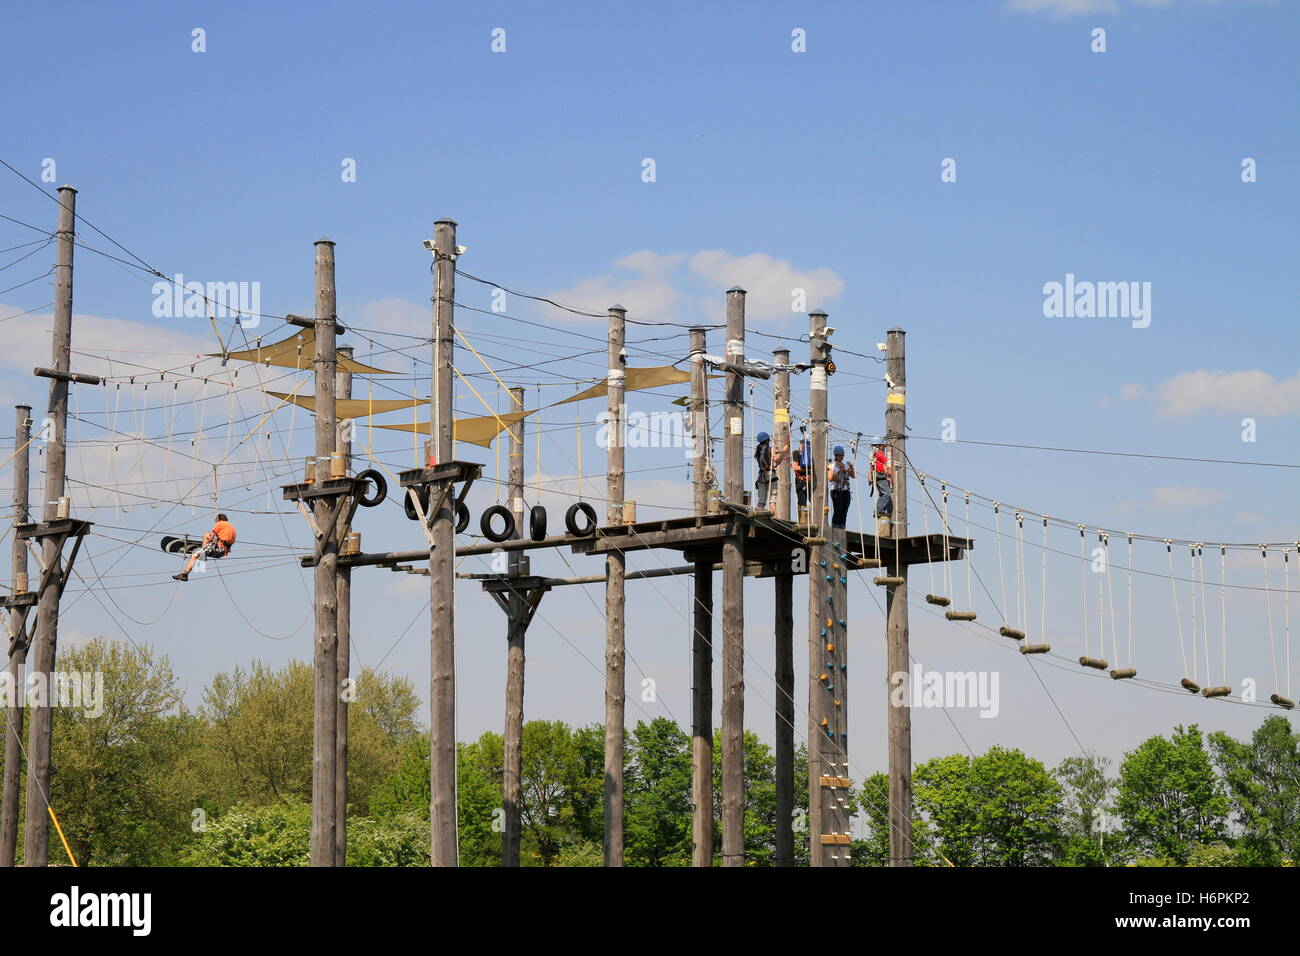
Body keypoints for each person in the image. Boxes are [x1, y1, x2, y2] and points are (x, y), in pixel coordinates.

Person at [173, 513, 236, 581]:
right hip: (223, 551)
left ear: (218, 519)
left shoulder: (219, 524)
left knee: (195, 555)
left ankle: (185, 574)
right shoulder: (232, 527)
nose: (215, 521)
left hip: (218, 548)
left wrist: (207, 541)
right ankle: (203, 551)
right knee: (207, 538)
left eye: (215, 520)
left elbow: (211, 538)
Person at [827, 445, 855, 530]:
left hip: (845, 489)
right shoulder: (832, 465)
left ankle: (842, 529)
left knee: (844, 510)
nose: (841, 457)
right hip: (836, 489)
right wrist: (839, 471)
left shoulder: (845, 465)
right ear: (836, 455)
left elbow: (853, 475)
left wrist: (851, 468)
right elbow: (830, 478)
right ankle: (835, 529)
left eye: (842, 455)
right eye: (840, 455)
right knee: (838, 510)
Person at [871, 443, 893, 517]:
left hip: (877, 476)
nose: (884, 448)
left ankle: (877, 510)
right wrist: (890, 450)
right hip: (881, 476)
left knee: (882, 495)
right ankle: (879, 510)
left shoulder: (874, 454)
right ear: (879, 446)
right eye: (883, 446)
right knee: (886, 494)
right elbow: (887, 462)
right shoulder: (879, 454)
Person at [792, 437, 814, 510]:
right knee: (802, 503)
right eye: (804, 443)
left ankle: (813, 520)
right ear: (800, 443)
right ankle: (803, 520)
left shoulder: (810, 455)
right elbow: (795, 467)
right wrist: (807, 468)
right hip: (801, 481)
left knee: (814, 502)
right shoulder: (796, 453)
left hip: (810, 480)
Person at [754, 432, 773, 509]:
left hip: (761, 475)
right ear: (766, 440)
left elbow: (756, 457)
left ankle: (760, 514)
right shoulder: (770, 449)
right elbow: (775, 460)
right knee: (772, 499)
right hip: (770, 473)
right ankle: (774, 518)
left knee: (761, 499)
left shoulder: (757, 450)